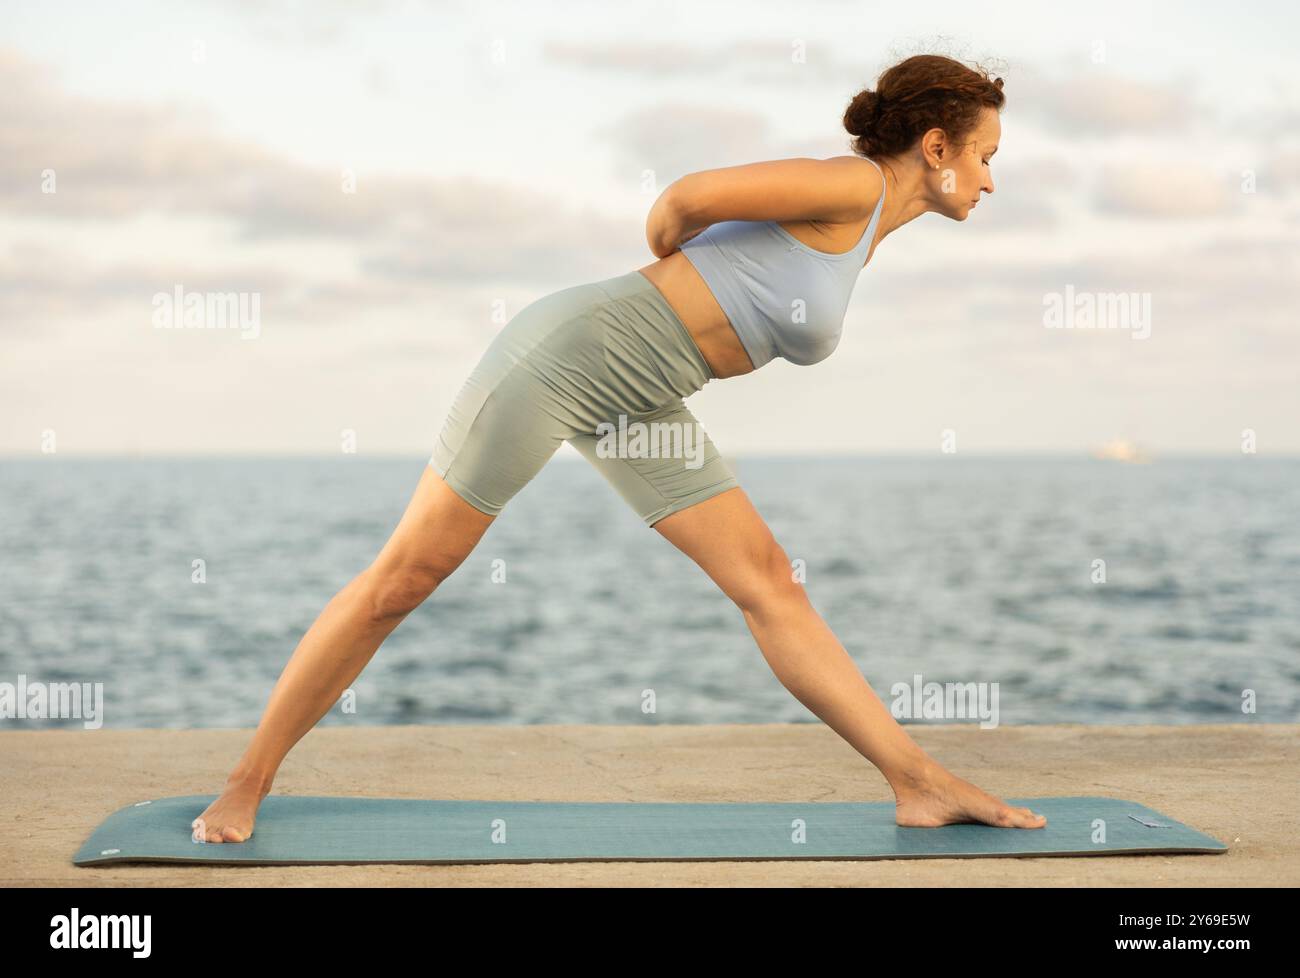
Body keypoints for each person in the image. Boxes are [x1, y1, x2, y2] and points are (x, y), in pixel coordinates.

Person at [194, 53, 1046, 844]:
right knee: (404, 580)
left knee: (770, 582)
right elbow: (687, 197)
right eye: (984, 155)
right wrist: (667, 259)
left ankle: (918, 783)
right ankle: (246, 780)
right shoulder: (851, 183)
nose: (991, 178)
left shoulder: (865, 228)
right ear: (936, 146)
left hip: (641, 396)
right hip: (569, 358)